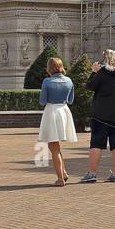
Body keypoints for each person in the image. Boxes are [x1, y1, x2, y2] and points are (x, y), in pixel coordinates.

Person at [81, 49, 115, 183]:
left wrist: (94, 71)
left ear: (105, 60)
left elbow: (90, 86)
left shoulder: (102, 73)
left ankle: (92, 174)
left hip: (101, 116)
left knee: (96, 144)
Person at [37, 57, 77, 187]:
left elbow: (42, 101)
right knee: (55, 146)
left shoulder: (47, 82)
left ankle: (60, 178)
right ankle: (63, 173)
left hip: (52, 111)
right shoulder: (69, 80)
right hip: (64, 110)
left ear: (49, 68)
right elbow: (70, 100)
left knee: (53, 146)